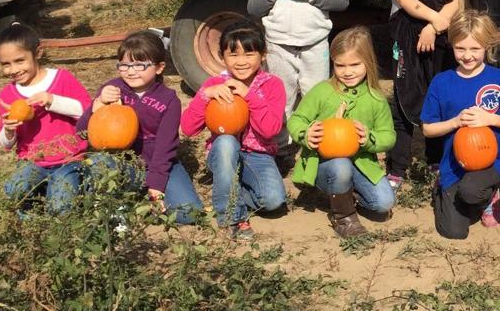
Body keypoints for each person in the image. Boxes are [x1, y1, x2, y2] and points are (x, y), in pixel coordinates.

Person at [79, 30, 203, 224]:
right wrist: (98, 105)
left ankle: (144, 198)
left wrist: (157, 186)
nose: (130, 71)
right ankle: (116, 210)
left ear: (160, 67)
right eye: (124, 65)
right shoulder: (112, 89)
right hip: (122, 165)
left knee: (189, 213)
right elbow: (82, 132)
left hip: (159, 163)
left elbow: (165, 146)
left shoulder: (169, 100)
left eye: (139, 65)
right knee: (99, 163)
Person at [180, 20, 287, 241]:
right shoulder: (214, 84)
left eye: (249, 54)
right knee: (226, 141)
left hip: (258, 154)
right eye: (233, 54)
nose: (241, 62)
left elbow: (270, 131)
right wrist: (205, 96)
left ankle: (228, 188)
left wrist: (249, 96)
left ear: (263, 54)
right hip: (223, 153)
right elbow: (188, 129)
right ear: (222, 56)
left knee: (273, 201)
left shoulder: (272, 85)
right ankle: (231, 216)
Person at [421, 11, 500, 240]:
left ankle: (489, 195)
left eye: (475, 49)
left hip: (491, 160)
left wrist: (490, 118)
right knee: (454, 232)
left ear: (487, 47)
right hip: (453, 163)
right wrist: (455, 122)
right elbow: (427, 128)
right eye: (460, 48)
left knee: (471, 192)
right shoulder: (442, 82)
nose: (467, 56)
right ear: (452, 46)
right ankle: (443, 190)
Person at [381, 0, 462, 188]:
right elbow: (405, 1)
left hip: (436, 40)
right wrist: (434, 19)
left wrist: (433, 26)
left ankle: (435, 160)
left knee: (436, 95)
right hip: (405, 41)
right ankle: (397, 165)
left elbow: (456, 0)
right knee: (403, 98)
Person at [288, 28, 395, 238]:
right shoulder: (322, 91)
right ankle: (343, 217)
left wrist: (369, 138)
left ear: (368, 63)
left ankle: (344, 193)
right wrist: (306, 133)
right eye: (340, 65)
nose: (348, 71)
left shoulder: (375, 98)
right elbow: (296, 119)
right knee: (340, 164)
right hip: (324, 162)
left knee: (384, 204)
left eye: (355, 64)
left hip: (361, 163)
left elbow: (388, 135)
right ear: (333, 64)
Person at [0, 23, 91, 215]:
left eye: (20, 61)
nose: (13, 70)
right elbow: (5, 144)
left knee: (61, 208)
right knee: (11, 193)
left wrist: (52, 100)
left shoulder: (62, 79)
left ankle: (81, 188)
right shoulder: (7, 95)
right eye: (6, 64)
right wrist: (8, 130)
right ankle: (39, 200)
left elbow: (87, 111)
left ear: (38, 53)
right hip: (33, 162)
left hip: (68, 159)